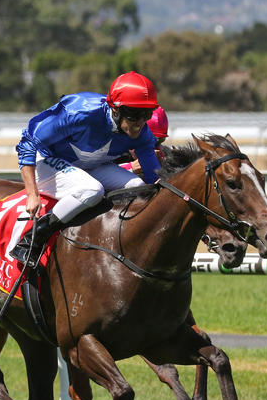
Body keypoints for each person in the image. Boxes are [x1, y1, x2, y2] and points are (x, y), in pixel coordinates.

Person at [10, 71, 161, 267]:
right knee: (92, 189)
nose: (140, 122)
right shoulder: (79, 113)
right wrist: (32, 194)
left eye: (146, 114)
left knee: (138, 187)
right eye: (134, 114)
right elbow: (28, 142)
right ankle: (32, 239)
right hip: (47, 160)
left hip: (88, 166)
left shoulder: (142, 135)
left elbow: (156, 180)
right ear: (115, 109)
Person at [117, 106, 169, 175]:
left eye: (158, 142)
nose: (154, 150)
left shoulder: (164, 156)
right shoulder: (114, 151)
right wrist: (131, 168)